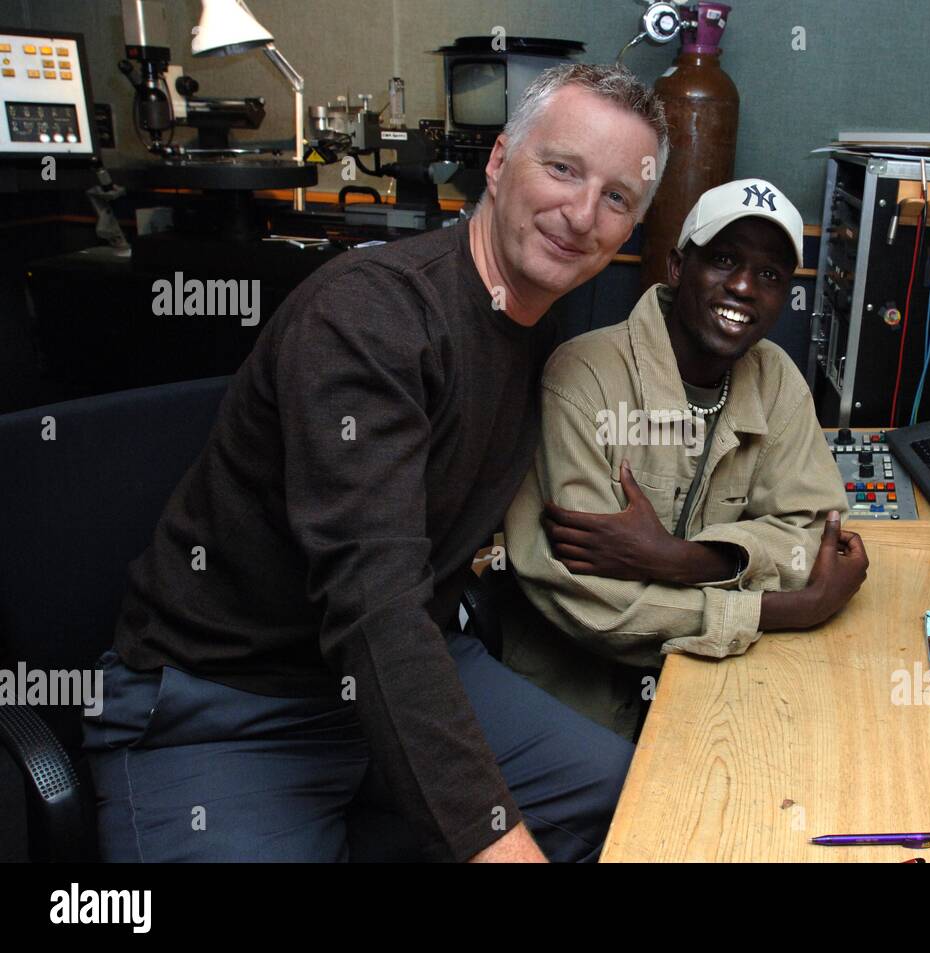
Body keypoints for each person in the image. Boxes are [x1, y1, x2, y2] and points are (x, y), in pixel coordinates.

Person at [82, 63, 669, 863]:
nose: (580, 213)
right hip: (229, 701)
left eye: (615, 197)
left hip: (392, 667)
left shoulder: (534, 321)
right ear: (498, 162)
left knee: (625, 803)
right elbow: (374, 601)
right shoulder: (370, 316)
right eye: (562, 168)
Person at [503, 178, 869, 737]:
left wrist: (682, 560)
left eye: (770, 275)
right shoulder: (581, 380)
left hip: (716, 685)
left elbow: (816, 539)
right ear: (678, 267)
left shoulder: (775, 379)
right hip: (578, 705)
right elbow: (590, 602)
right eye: (723, 259)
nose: (745, 286)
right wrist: (783, 609)